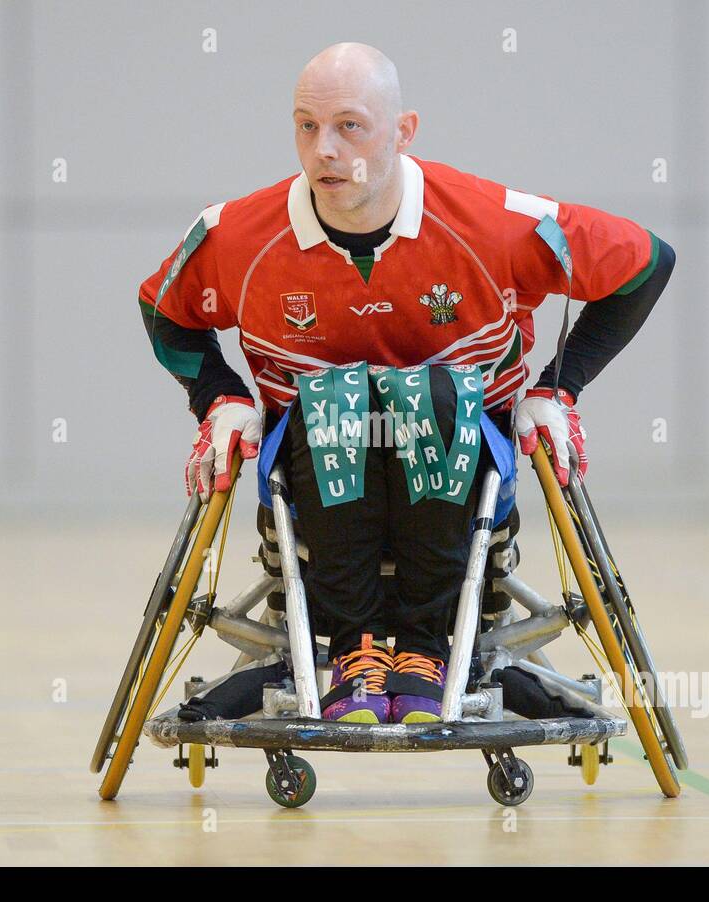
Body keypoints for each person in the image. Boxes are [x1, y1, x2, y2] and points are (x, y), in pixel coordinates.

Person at [138, 42, 674, 724]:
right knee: (336, 397)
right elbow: (163, 308)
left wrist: (556, 390)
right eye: (306, 126)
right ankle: (357, 651)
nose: (324, 150)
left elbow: (645, 263)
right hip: (309, 476)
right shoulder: (237, 234)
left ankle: (426, 648)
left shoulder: (493, 221)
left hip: (468, 466)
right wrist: (219, 397)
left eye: (349, 126)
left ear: (403, 131)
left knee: (435, 392)